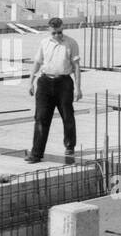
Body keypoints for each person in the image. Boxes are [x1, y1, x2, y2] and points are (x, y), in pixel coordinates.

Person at [25, 17, 82, 163]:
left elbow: (76, 67)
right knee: (41, 118)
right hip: (44, 82)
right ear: (49, 31)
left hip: (64, 83)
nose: (57, 35)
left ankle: (70, 145)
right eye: (54, 33)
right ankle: (36, 153)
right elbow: (37, 63)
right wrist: (31, 82)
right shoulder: (44, 43)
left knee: (67, 116)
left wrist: (78, 88)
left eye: (60, 32)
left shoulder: (71, 43)